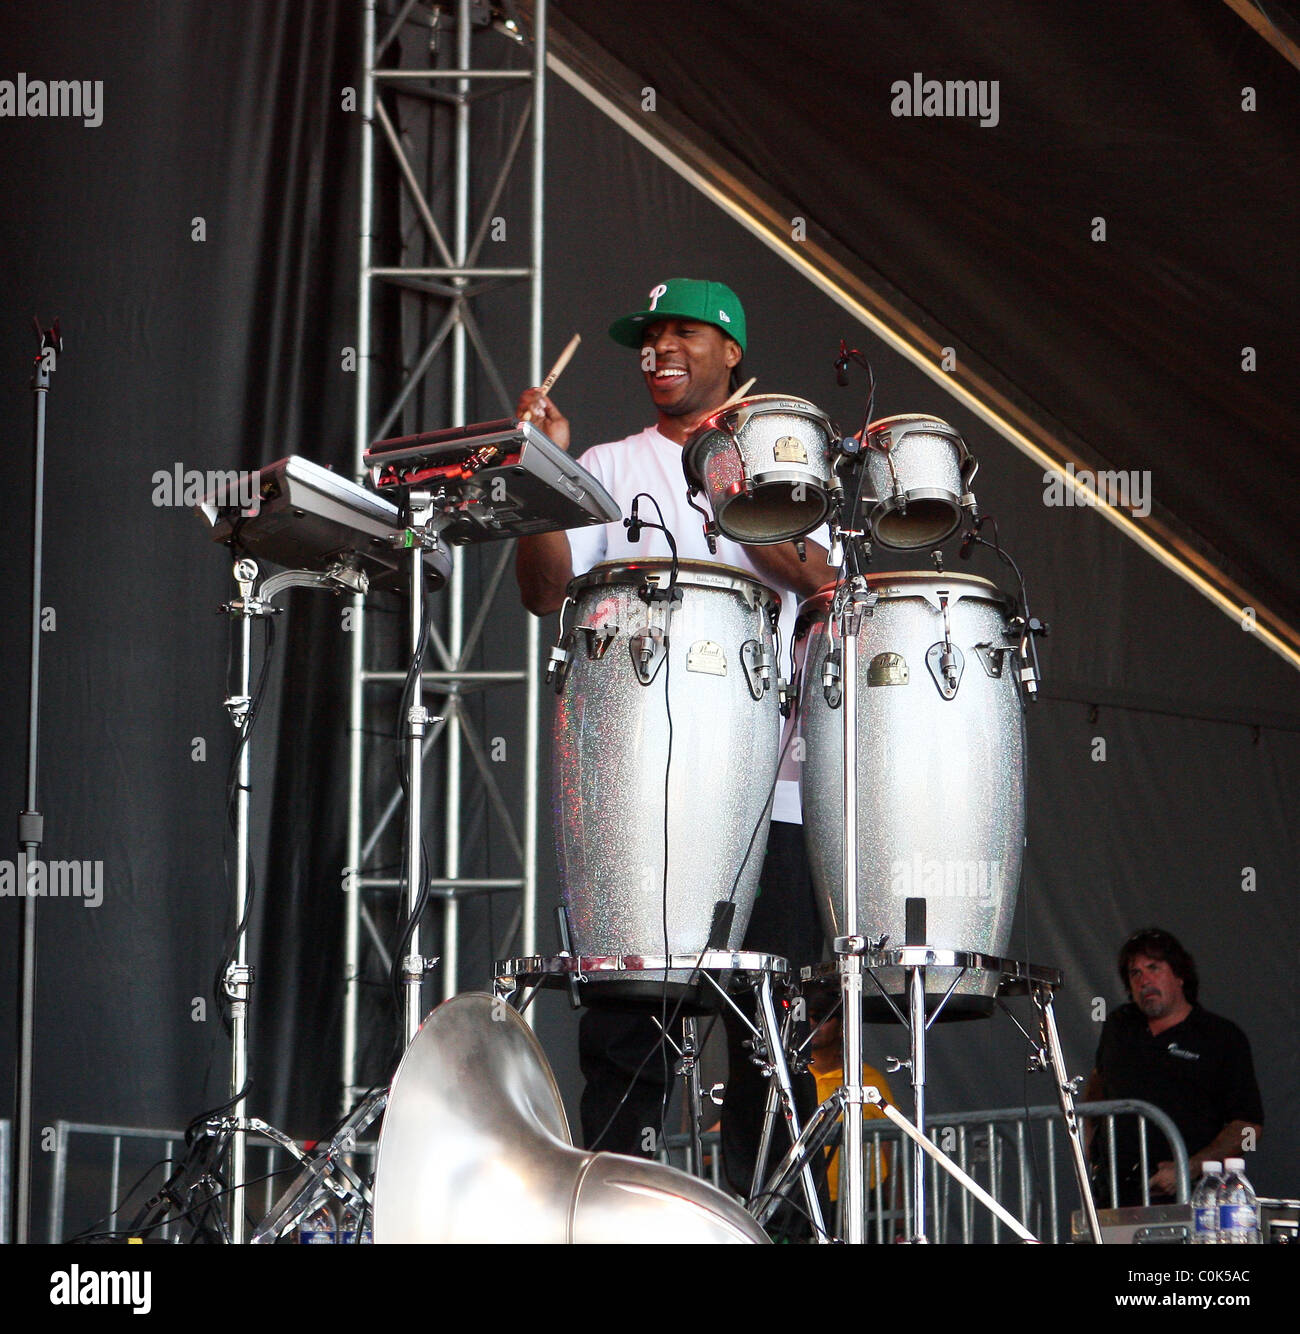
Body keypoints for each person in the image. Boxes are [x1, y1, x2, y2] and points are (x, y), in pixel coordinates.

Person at [515, 278, 835, 1189]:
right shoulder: (609, 468)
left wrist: (732, 488)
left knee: (767, 1030)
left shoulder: (784, 460)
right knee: (623, 1026)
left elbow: (820, 584)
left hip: (766, 789)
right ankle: (622, 1214)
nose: (659, 349)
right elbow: (543, 593)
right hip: (636, 793)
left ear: (730, 351)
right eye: (649, 338)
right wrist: (540, 473)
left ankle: (762, 1223)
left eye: (682, 333)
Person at [1083, 927, 1263, 1206]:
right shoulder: (1120, 1025)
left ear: (1180, 975)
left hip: (1190, 1199)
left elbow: (1247, 1127)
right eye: (1135, 973)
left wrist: (1188, 1167)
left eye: (1154, 968)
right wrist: (1087, 1155)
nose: (1144, 980)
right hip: (1115, 1197)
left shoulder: (1220, 1036)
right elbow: (1097, 1084)